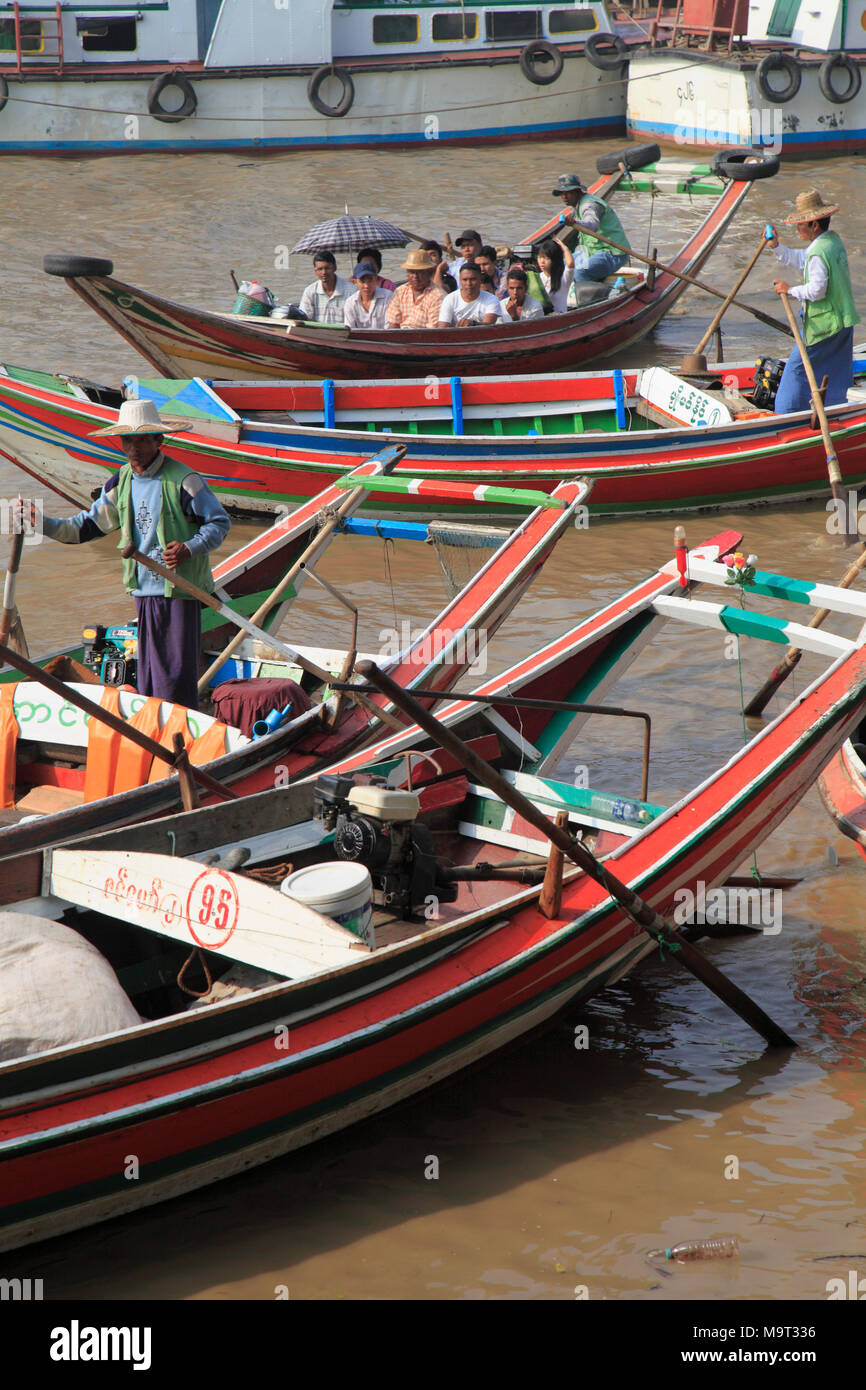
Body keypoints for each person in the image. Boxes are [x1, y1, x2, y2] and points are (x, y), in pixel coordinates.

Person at [23, 399, 230, 710]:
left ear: (159, 440)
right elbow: (84, 528)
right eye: (128, 440)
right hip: (143, 590)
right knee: (148, 672)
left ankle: (178, 734)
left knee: (174, 674)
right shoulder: (121, 481)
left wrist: (190, 548)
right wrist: (42, 524)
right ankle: (152, 728)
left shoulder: (183, 480)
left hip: (178, 588)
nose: (134, 448)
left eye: (143, 439)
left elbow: (219, 523)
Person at [767, 188, 860, 414]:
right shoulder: (831, 241)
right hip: (843, 320)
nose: (798, 228)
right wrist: (777, 247)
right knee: (836, 368)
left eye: (801, 224)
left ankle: (786, 414)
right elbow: (804, 259)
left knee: (796, 370)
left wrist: (790, 291)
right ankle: (834, 408)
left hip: (826, 326)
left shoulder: (819, 251)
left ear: (814, 225)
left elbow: (818, 290)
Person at [552, 172, 630, 285]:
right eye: (562, 193)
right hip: (591, 251)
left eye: (568, 193)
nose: (564, 196)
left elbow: (592, 224)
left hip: (612, 253)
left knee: (579, 273)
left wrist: (575, 222)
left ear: (577, 192)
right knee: (560, 265)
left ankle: (590, 297)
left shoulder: (589, 205)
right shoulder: (575, 206)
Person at [386, 249, 445, 328]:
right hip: (399, 336)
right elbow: (393, 324)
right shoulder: (400, 292)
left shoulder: (438, 296)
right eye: (412, 272)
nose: (415, 277)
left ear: (429, 272)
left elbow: (432, 331)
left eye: (420, 272)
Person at [438, 262, 502, 327]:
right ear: (460, 280)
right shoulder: (449, 299)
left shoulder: (491, 299)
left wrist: (473, 324)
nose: (469, 283)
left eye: (473, 279)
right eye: (465, 280)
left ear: (480, 279)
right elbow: (442, 328)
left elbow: (489, 326)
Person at [298, 251, 354, 324]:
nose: (324, 272)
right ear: (315, 271)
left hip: (344, 333)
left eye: (327, 268)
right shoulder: (310, 291)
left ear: (335, 267)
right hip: (317, 333)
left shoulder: (351, 290)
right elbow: (305, 319)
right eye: (320, 269)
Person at [344, 260, 393, 329]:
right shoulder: (350, 302)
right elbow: (349, 329)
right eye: (362, 281)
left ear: (376, 279)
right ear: (355, 282)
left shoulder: (388, 297)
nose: (366, 286)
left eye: (370, 280)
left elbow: (389, 327)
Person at [537, 236, 574, 313]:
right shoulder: (537, 277)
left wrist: (565, 248)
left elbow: (570, 264)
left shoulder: (564, 278)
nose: (542, 261)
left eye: (546, 258)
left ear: (554, 260)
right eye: (540, 257)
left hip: (560, 318)